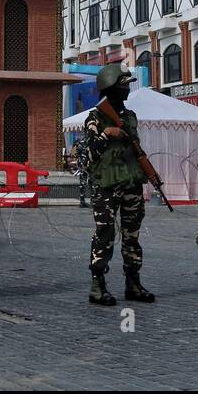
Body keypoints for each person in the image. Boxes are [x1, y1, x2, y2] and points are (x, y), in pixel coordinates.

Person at [82, 64, 154, 306]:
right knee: (105, 234)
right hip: (106, 184)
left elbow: (136, 148)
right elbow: (88, 155)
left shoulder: (130, 117)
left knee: (132, 235)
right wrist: (106, 134)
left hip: (131, 182)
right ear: (110, 88)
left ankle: (133, 283)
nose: (126, 90)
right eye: (122, 86)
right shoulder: (95, 118)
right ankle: (97, 285)